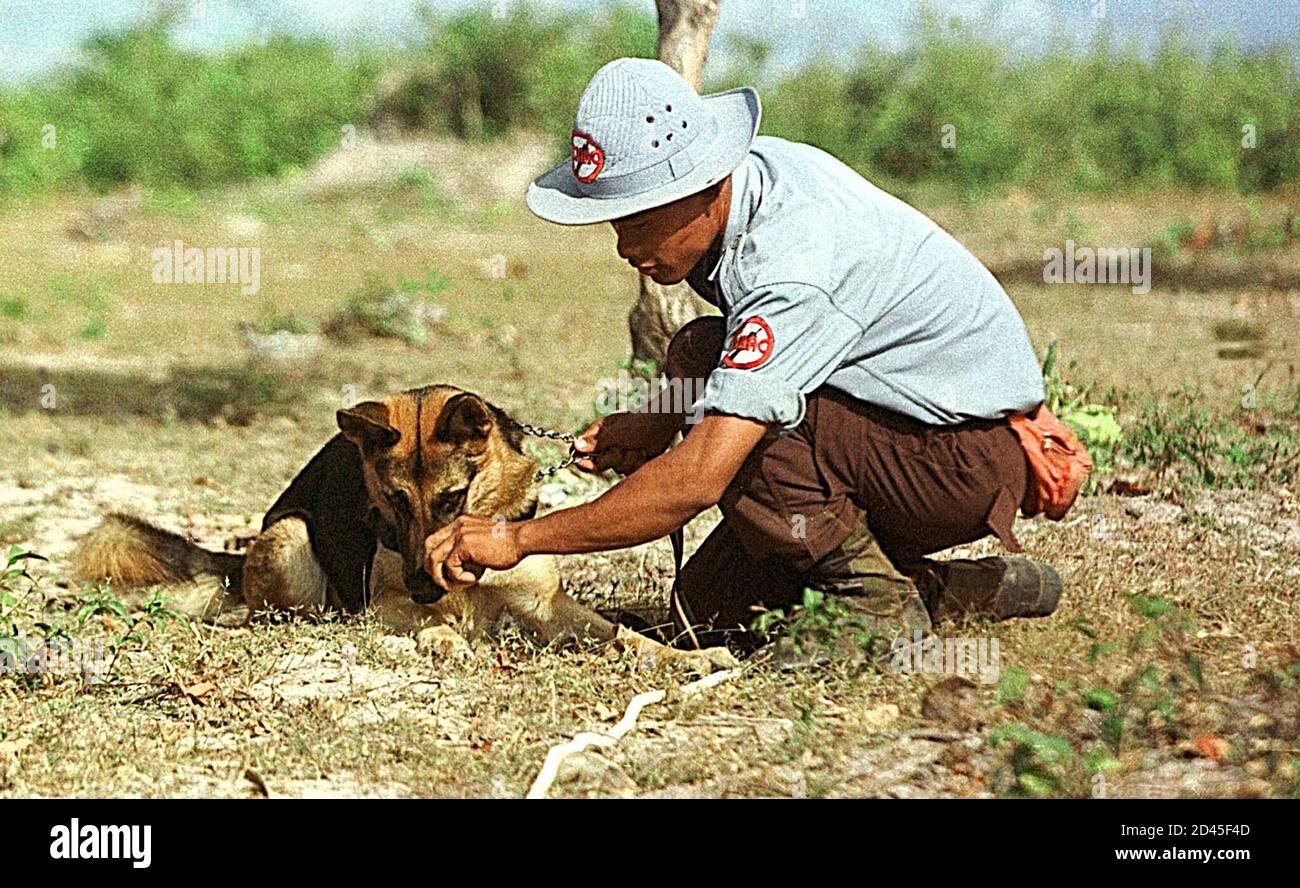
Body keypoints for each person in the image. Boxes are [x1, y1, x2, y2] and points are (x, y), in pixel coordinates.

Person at [423, 58, 1064, 651]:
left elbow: (700, 478)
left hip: (959, 462)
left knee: (737, 415)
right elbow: (715, 356)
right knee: (707, 615)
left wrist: (516, 538)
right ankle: (963, 591)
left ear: (702, 189)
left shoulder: (791, 262)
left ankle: (875, 610)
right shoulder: (754, 183)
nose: (623, 246)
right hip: (908, 438)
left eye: (636, 219)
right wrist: (656, 421)